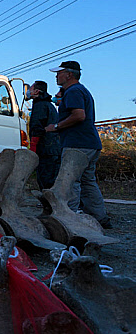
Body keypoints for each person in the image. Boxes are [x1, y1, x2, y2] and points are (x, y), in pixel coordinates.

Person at [45, 61, 111, 229]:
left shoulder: (73, 91)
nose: (56, 76)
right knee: (88, 181)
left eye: (59, 73)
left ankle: (70, 218)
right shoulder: (81, 91)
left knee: (71, 180)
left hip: (77, 144)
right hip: (90, 143)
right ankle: (100, 217)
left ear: (69, 74)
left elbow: (79, 115)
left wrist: (56, 126)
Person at [28, 80, 61, 190]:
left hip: (45, 149)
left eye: (30, 89)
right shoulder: (49, 105)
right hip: (53, 148)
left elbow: (37, 128)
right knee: (52, 178)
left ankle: (49, 204)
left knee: (45, 179)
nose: (28, 92)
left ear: (37, 91)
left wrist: (33, 148)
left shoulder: (40, 106)